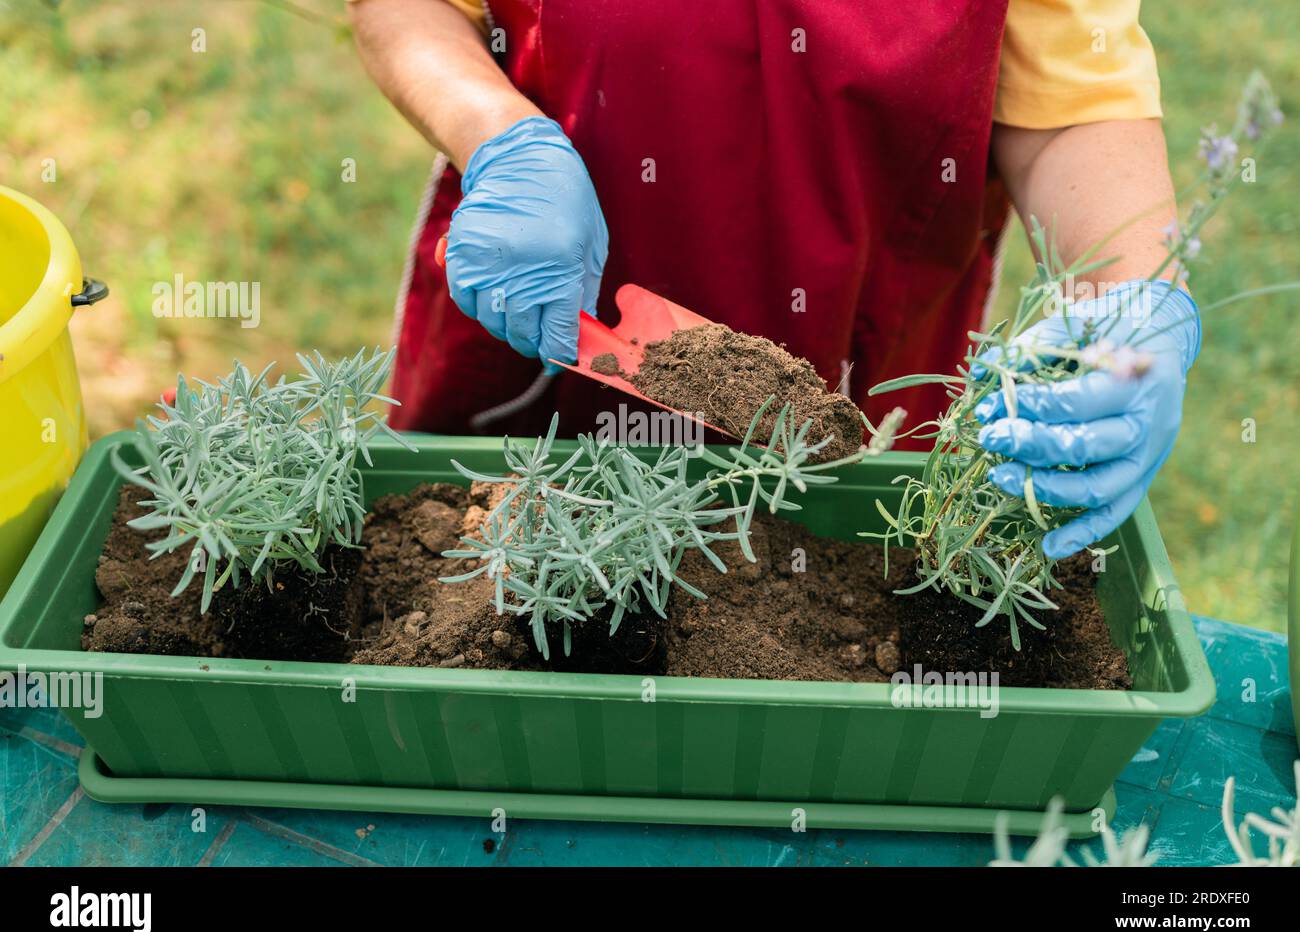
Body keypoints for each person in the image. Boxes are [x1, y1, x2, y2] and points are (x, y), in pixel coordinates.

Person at [350, 0, 1199, 559]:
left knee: (827, 580)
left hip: (861, 367)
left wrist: (1130, 296)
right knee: (485, 578)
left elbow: (1073, 100)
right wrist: (496, 133)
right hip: (542, 303)